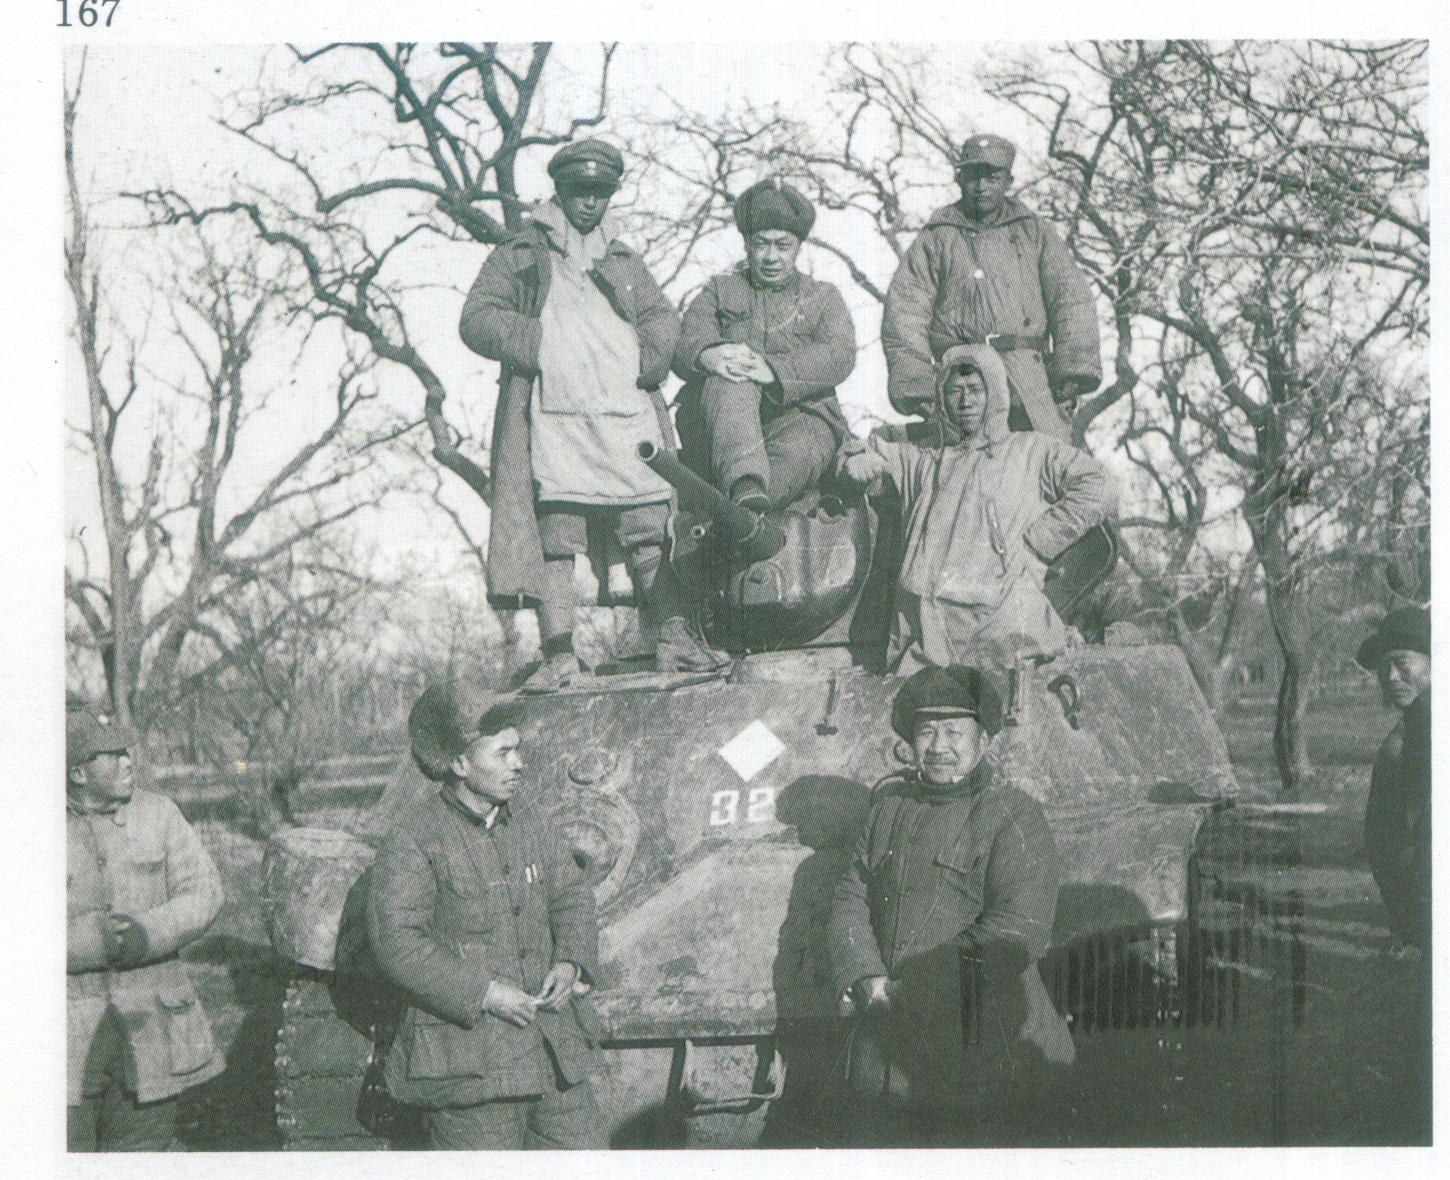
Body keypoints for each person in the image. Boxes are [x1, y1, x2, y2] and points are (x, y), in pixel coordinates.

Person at [460, 138, 721, 690]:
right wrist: (543, 345)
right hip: (555, 418)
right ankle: (560, 653)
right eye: (580, 191)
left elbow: (660, 318)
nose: (589, 203)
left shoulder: (623, 258)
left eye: (600, 192)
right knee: (558, 538)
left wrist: (645, 361)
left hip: (625, 414)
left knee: (649, 528)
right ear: (561, 190)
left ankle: (671, 639)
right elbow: (478, 318)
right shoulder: (522, 252)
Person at [827, 667, 1072, 1144]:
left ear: (983, 740)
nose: (938, 746)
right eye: (926, 731)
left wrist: (910, 990)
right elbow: (850, 895)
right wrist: (865, 977)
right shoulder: (887, 810)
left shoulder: (1013, 816)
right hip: (888, 1049)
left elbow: (1017, 930)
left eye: (954, 732)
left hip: (984, 1049)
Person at [366, 682, 607, 1149]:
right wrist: (485, 994)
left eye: (517, 749)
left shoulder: (531, 821)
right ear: (458, 764)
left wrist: (571, 963)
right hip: (469, 1070)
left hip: (552, 1053)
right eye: (503, 753)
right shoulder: (415, 838)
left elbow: (572, 897)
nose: (519, 763)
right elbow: (397, 941)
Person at [838, 343, 1114, 672]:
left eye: (975, 389)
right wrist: (856, 464)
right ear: (942, 397)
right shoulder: (922, 458)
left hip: (1001, 628)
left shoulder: (1031, 451)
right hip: (925, 636)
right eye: (955, 390)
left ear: (995, 392)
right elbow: (865, 454)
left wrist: (1040, 540)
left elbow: (1101, 485)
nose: (966, 401)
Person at [66, 706, 225, 1151]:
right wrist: (86, 944)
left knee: (143, 1154)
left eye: (126, 751)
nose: (128, 761)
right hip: (65, 1048)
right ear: (78, 773)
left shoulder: (160, 814)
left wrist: (147, 933)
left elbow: (205, 892)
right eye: (112, 755)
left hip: (151, 1038)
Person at [880, 133, 1101, 443]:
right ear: (959, 179)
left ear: (1008, 180)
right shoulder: (936, 237)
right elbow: (905, 311)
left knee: (1049, 464)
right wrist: (916, 382)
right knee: (957, 472)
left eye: (992, 177)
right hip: (963, 378)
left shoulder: (1034, 231)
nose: (981, 186)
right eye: (972, 177)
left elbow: (1071, 300)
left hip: (1027, 375)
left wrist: (1072, 372)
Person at [673, 178, 857, 514]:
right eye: (761, 244)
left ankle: (746, 511)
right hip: (724, 422)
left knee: (799, 453)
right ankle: (744, 487)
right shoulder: (720, 289)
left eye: (782, 245)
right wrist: (708, 355)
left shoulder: (823, 297)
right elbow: (686, 339)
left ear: (799, 246)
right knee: (732, 377)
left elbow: (839, 353)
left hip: (802, 419)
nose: (771, 257)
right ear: (746, 245)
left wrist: (774, 370)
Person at [1356, 607, 1431, 953]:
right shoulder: (1403, 736)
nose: (1391, 677)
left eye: (1402, 663)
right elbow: (1383, 838)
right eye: (1384, 668)